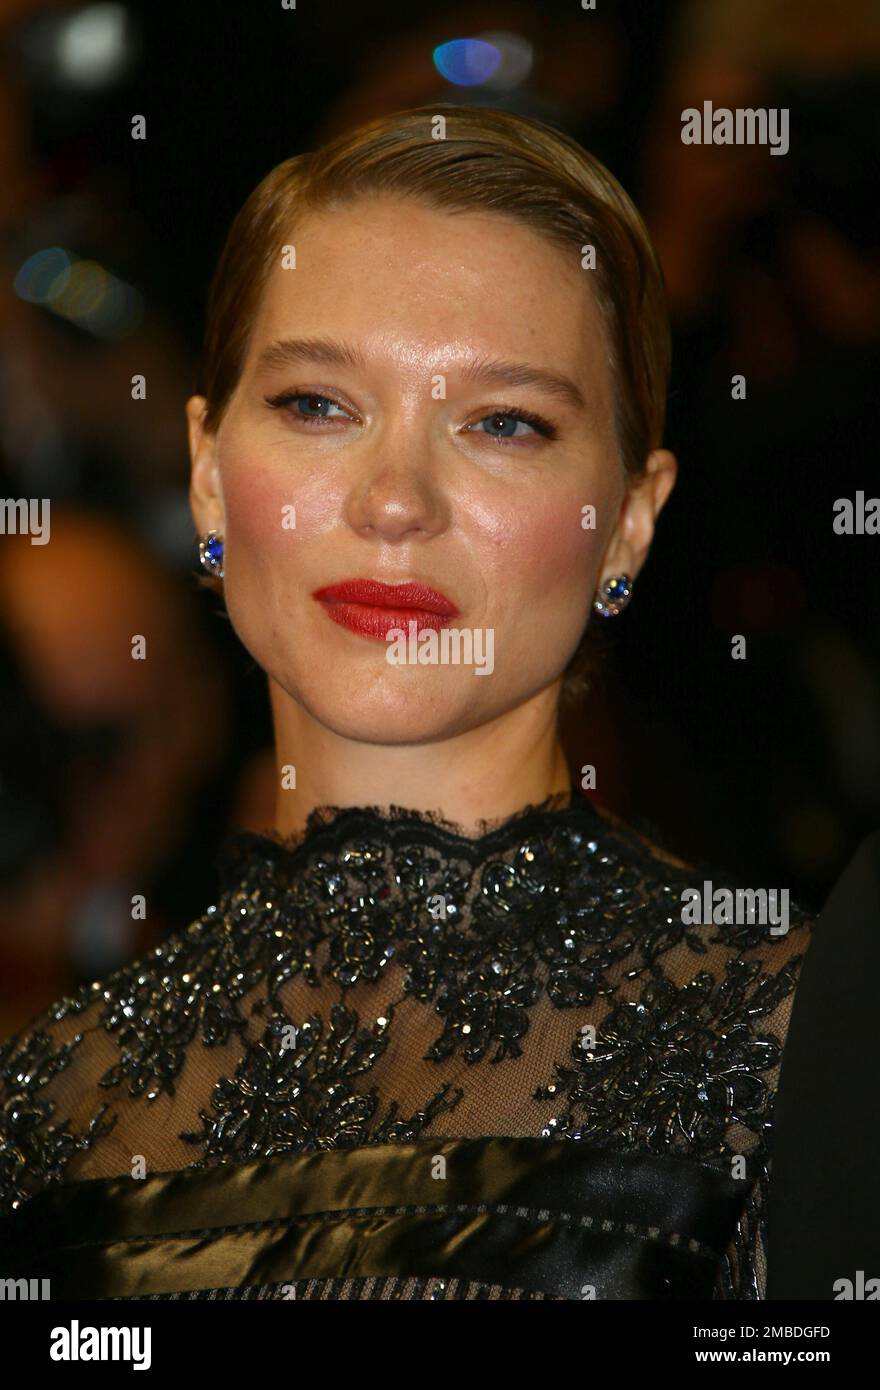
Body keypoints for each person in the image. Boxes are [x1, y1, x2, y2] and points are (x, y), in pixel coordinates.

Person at [0, 104, 814, 1301]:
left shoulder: (802, 1045)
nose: (394, 499)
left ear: (627, 521)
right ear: (209, 477)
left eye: (503, 422)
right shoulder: (49, 1108)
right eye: (317, 404)